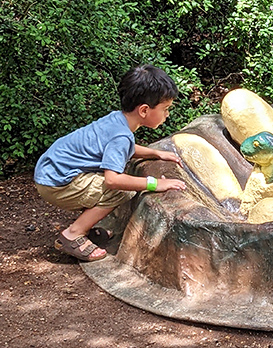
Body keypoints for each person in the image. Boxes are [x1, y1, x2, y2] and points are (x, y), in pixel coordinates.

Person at [34, 64, 186, 262]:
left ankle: (85, 226)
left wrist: (156, 153)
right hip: (58, 183)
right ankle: (73, 234)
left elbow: (125, 147)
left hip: (50, 171)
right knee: (120, 191)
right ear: (144, 110)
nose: (167, 114)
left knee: (111, 183)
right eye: (165, 109)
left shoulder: (118, 120)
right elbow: (113, 180)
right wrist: (155, 183)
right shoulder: (121, 136)